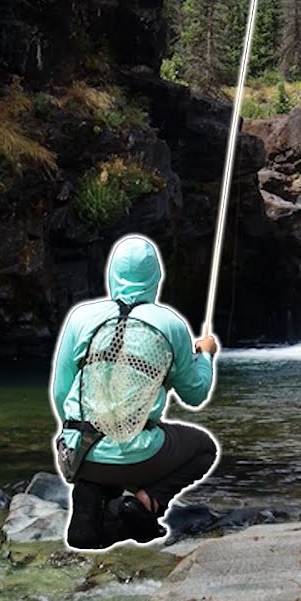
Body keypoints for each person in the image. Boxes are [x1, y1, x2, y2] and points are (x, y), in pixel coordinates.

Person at [49, 234, 220, 549]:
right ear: (156, 278)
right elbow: (195, 394)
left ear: (112, 274)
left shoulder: (80, 318)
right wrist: (205, 354)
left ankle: (92, 493)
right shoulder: (171, 325)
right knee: (204, 447)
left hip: (79, 454)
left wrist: (82, 439)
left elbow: (61, 394)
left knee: (98, 440)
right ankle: (146, 502)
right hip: (138, 457)